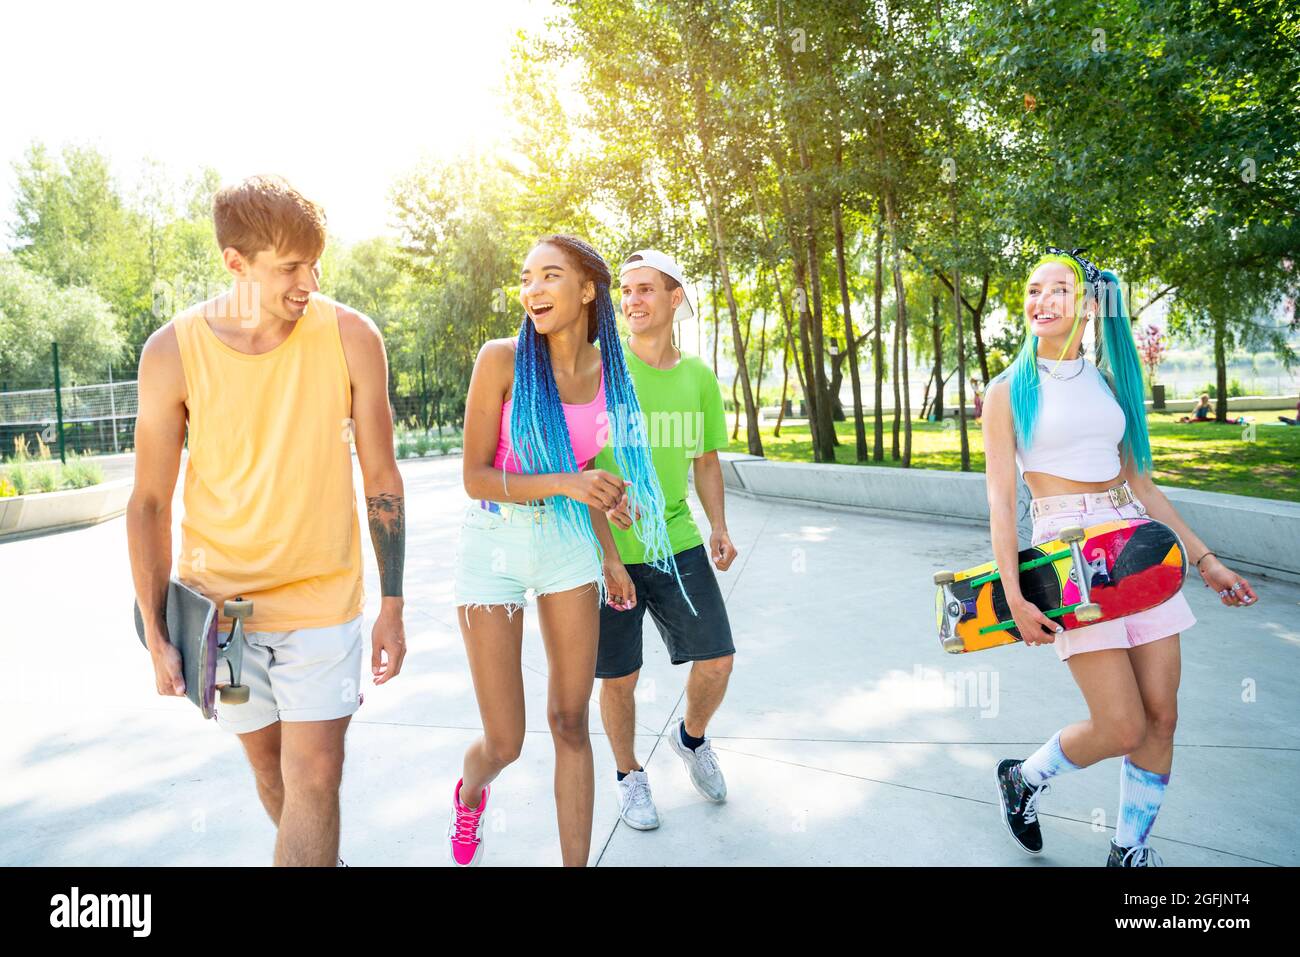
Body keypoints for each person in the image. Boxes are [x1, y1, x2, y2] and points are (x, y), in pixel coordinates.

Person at [127, 175, 407, 867]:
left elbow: (381, 479)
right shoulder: (172, 352)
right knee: (273, 771)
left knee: (316, 774)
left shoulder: (351, 336)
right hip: (222, 617)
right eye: (289, 267)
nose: (308, 280)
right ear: (236, 263)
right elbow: (149, 502)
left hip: (322, 601)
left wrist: (392, 601)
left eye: (315, 263)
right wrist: (156, 629)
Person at [983, 247, 1258, 867]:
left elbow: (1141, 485)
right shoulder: (1007, 392)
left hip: (1139, 549)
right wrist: (1014, 594)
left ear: (1086, 304)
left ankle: (1128, 851)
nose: (1042, 301)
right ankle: (1024, 779)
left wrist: (1206, 558)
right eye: (1033, 289)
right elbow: (1002, 503)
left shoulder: (1109, 384)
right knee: (1122, 726)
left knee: (1162, 718)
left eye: (1058, 289)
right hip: (1072, 561)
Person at [450, 234, 683, 867]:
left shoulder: (612, 371)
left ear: (587, 291)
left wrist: (610, 508)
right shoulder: (500, 360)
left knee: (569, 721)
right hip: (494, 542)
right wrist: (570, 482)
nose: (533, 291)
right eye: (526, 278)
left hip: (567, 542)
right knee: (505, 741)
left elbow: (586, 465)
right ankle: (470, 794)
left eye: (549, 276)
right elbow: (475, 476)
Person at [594, 250, 737, 831]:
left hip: (675, 541)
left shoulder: (698, 377)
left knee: (718, 659)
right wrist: (602, 501)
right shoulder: (597, 368)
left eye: (645, 290)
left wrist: (719, 526)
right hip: (607, 549)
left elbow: (706, 461)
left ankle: (691, 738)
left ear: (674, 299)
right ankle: (630, 776)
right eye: (626, 291)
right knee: (619, 676)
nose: (631, 301)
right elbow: (572, 453)